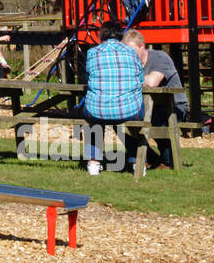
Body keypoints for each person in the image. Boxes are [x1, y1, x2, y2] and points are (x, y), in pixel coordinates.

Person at [80, 20, 145, 174]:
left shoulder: (92, 53)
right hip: (130, 110)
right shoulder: (131, 52)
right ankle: (136, 162)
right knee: (130, 121)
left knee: (94, 118)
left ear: (100, 36)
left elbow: (88, 76)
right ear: (120, 35)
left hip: (98, 109)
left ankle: (93, 163)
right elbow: (141, 79)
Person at [121, 29, 186, 168]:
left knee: (157, 118)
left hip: (175, 106)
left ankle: (167, 160)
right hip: (147, 106)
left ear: (142, 46)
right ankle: (145, 157)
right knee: (117, 119)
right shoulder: (130, 63)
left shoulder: (160, 57)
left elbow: (152, 82)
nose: (129, 54)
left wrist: (128, 79)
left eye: (132, 50)